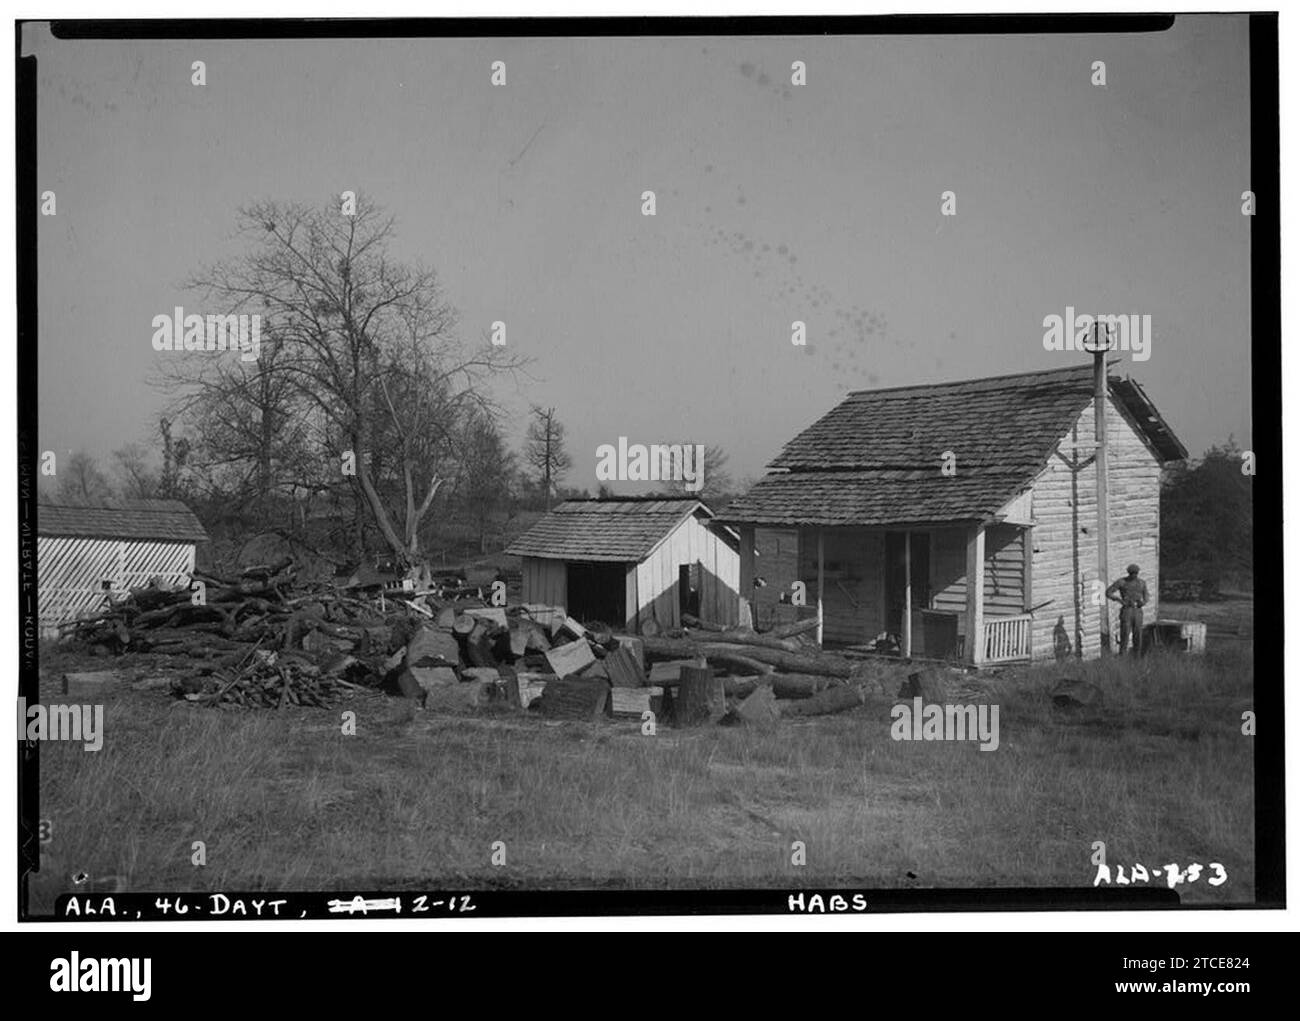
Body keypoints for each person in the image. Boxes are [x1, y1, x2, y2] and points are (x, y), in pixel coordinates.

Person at [1105, 564, 1149, 656]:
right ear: (1129, 573)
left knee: (1138, 634)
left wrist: (1143, 602)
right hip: (1127, 610)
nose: (1134, 575)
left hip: (1137, 610)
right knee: (1125, 633)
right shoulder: (1122, 582)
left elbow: (1146, 596)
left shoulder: (1141, 583)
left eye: (1136, 573)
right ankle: (1123, 655)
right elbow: (1108, 592)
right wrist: (1119, 600)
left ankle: (1137, 656)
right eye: (1132, 573)